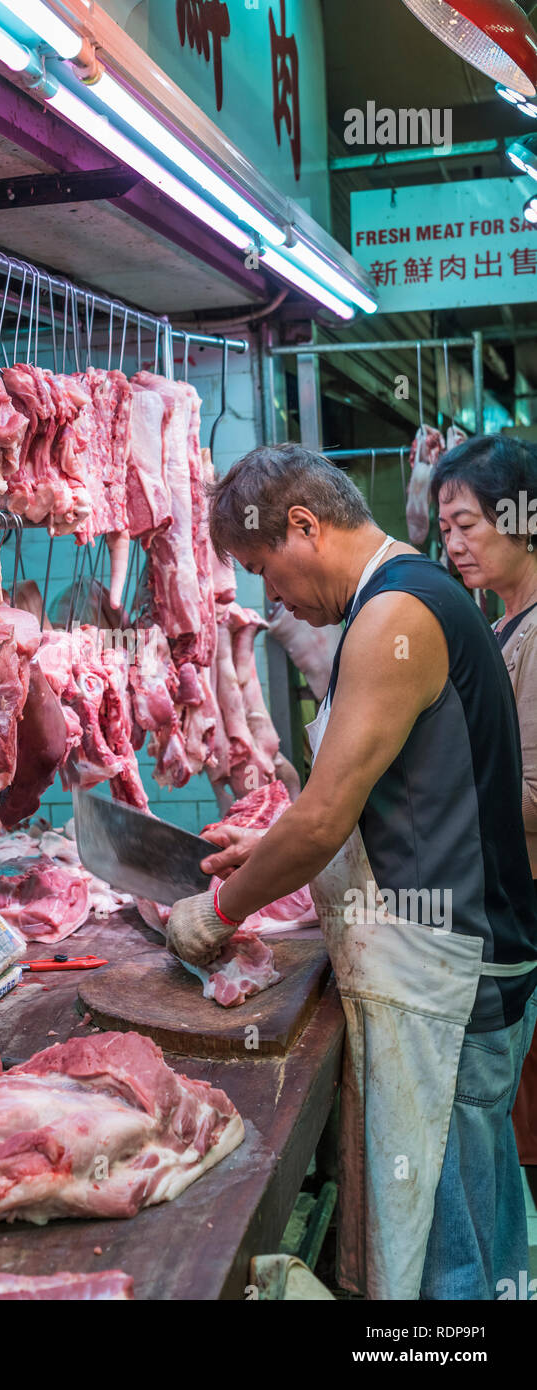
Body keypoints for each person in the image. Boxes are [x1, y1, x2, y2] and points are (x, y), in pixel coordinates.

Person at [166, 443, 537, 1301]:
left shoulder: (395, 616)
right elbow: (376, 796)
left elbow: (328, 815)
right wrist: (266, 854)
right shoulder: (407, 596)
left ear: (303, 526)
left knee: (446, 1248)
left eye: (265, 567)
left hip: (444, 981)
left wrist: (216, 912)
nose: (273, 596)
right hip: (449, 966)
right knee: (481, 1222)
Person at [432, 435, 537, 1207]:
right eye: (444, 530)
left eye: (467, 524)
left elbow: (531, 792)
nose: (454, 545)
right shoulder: (502, 625)